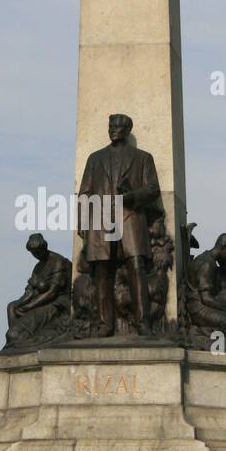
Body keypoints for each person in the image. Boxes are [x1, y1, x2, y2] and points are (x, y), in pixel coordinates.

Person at [77, 113, 163, 336]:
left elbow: (153, 188)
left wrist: (130, 197)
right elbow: (85, 192)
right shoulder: (95, 159)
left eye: (117, 126)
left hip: (130, 215)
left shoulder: (143, 158)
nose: (112, 129)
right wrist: (83, 222)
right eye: (110, 126)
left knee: (136, 266)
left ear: (127, 130)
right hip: (101, 217)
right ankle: (105, 323)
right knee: (102, 270)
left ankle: (143, 322)